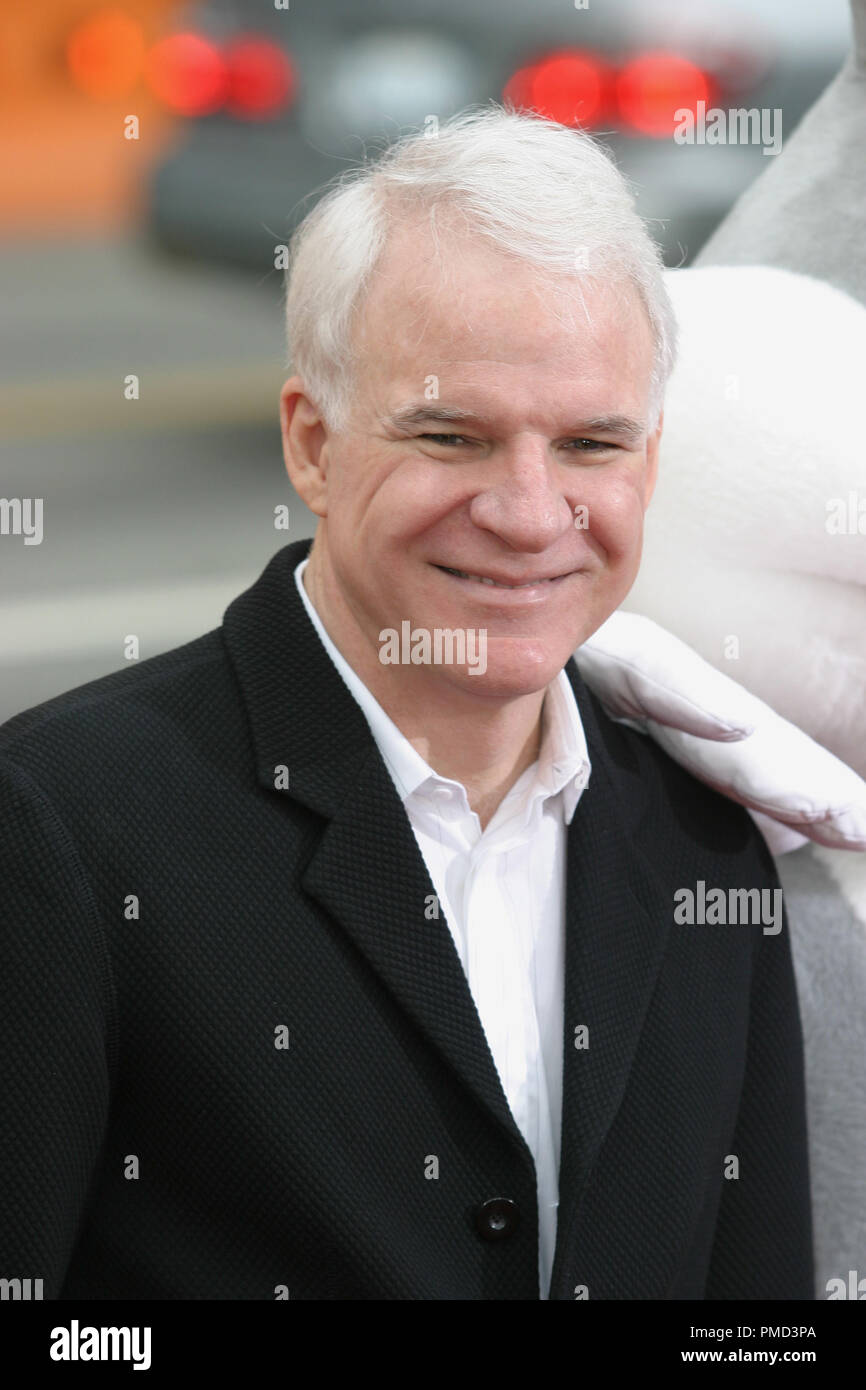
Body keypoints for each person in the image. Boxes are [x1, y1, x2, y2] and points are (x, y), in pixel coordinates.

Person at [0, 107, 813, 1300]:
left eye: (590, 443)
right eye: (453, 435)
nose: (531, 513)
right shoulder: (58, 830)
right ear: (312, 444)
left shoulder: (707, 836)